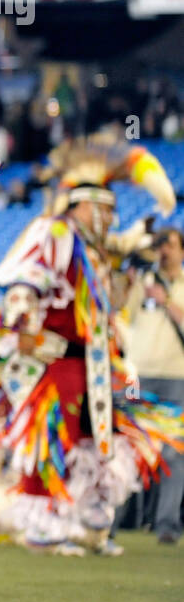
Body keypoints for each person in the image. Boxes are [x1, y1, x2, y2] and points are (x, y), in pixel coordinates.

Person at [0, 136, 184, 555]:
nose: (110, 218)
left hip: (96, 365)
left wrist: (128, 270)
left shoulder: (96, 249)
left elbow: (113, 303)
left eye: (112, 211)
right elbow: (27, 278)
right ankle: (42, 526)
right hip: (56, 361)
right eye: (103, 210)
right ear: (82, 205)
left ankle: (90, 525)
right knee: (52, 440)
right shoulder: (56, 231)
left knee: (96, 444)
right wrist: (22, 320)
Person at [119, 227, 184, 544]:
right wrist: (128, 278)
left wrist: (166, 300)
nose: (163, 250)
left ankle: (167, 525)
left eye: (168, 244)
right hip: (139, 375)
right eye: (159, 244)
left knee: (173, 453)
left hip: (176, 376)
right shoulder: (143, 281)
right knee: (129, 449)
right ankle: (111, 521)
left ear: (182, 250)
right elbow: (120, 312)